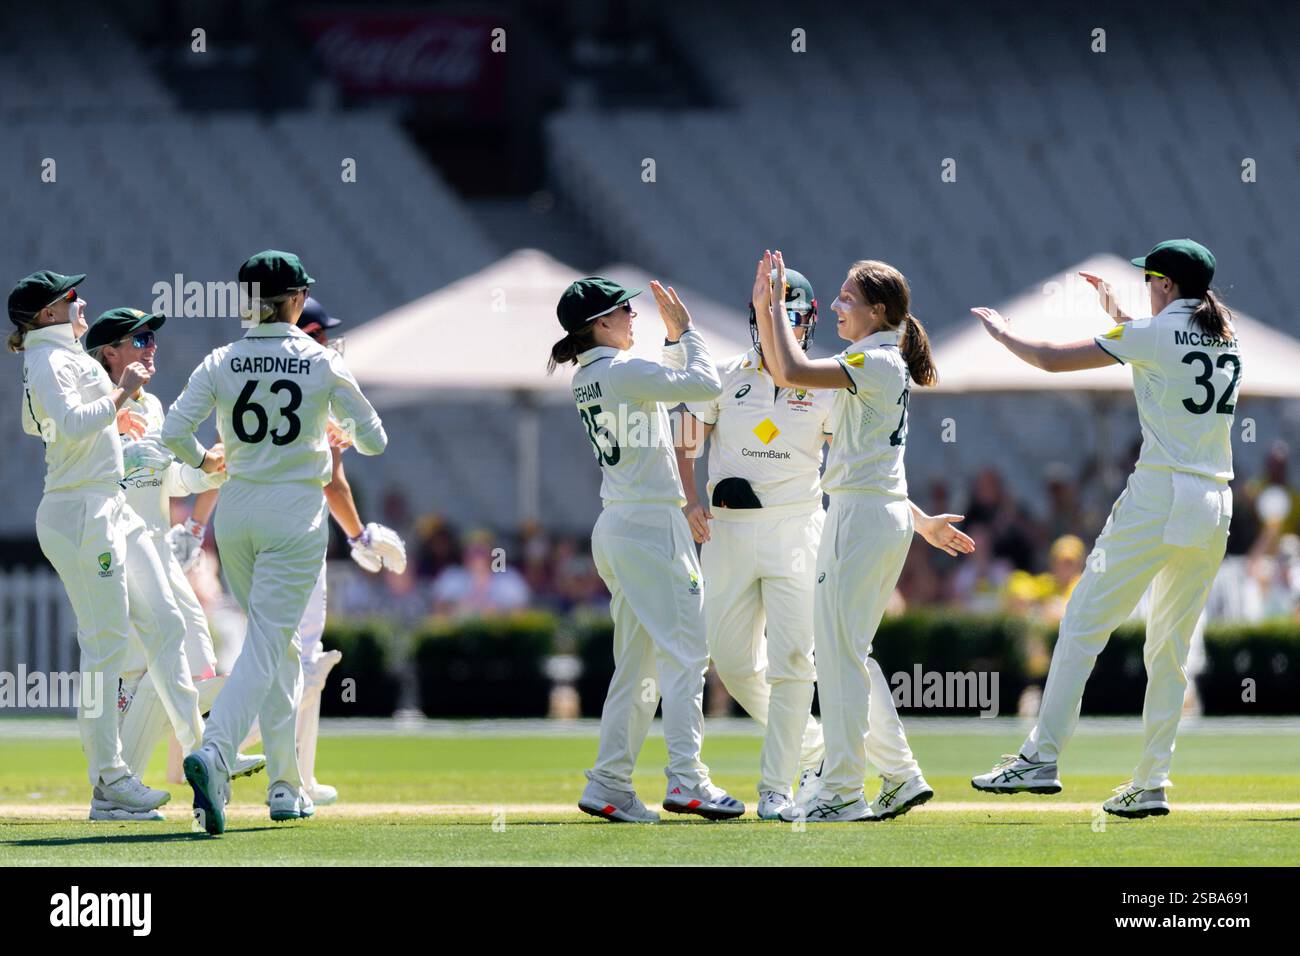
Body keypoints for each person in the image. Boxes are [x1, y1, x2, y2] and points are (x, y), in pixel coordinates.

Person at [971, 238, 1239, 819]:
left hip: (1160, 492)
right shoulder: (1226, 336)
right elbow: (1165, 346)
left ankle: (1040, 757)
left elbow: (1048, 358)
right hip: (1215, 499)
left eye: (1152, 280)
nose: (1147, 286)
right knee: (1170, 649)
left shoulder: (1153, 334)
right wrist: (1119, 314)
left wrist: (1003, 333)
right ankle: (1152, 781)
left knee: (1082, 622)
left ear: (1165, 285)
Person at [164, 251, 388, 834]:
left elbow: (172, 433)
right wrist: (338, 431)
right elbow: (375, 441)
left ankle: (286, 787)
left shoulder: (222, 358)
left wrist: (203, 457)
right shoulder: (319, 361)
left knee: (280, 647)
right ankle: (215, 753)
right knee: (270, 644)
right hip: (294, 511)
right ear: (295, 301)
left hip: (235, 511)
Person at [752, 251, 974, 823]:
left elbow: (790, 374)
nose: (833, 306)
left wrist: (772, 307)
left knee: (838, 655)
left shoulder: (873, 360)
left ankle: (844, 790)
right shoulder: (877, 357)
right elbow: (869, 454)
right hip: (878, 513)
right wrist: (922, 521)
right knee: (849, 652)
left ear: (878, 311)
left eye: (846, 298)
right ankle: (899, 775)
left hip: (860, 518)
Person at [9, 272, 206, 822]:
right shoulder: (48, 361)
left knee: (167, 624)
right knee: (107, 651)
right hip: (80, 511)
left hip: (106, 507)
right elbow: (67, 424)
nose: (83, 303)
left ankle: (205, 749)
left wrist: (107, 417)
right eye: (72, 298)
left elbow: (37, 424)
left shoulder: (61, 357)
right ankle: (109, 782)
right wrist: (118, 396)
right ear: (48, 313)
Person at [551, 275, 743, 822]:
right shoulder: (619, 371)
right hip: (651, 528)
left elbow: (662, 390)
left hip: (619, 524)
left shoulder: (591, 375)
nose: (633, 318)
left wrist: (672, 344)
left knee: (638, 668)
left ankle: (609, 781)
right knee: (687, 655)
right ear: (599, 326)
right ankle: (688, 780)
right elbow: (704, 385)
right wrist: (687, 331)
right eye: (624, 312)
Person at [83, 307, 265, 787]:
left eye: (152, 338)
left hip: (157, 549)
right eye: (140, 339)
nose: (151, 346)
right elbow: (79, 472)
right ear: (110, 352)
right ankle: (127, 781)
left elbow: (166, 478)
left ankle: (203, 754)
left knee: (198, 660)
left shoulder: (153, 406)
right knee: (148, 669)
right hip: (116, 553)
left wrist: (208, 469)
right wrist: (116, 439)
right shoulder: (90, 406)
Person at [674, 265, 829, 820]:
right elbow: (686, 439)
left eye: (792, 317)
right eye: (771, 314)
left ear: (807, 322)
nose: (781, 326)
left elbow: (862, 463)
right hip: (727, 529)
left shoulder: (826, 383)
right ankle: (814, 747)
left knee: (793, 661)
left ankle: (776, 788)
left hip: (796, 528)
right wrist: (689, 498)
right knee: (734, 663)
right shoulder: (724, 375)